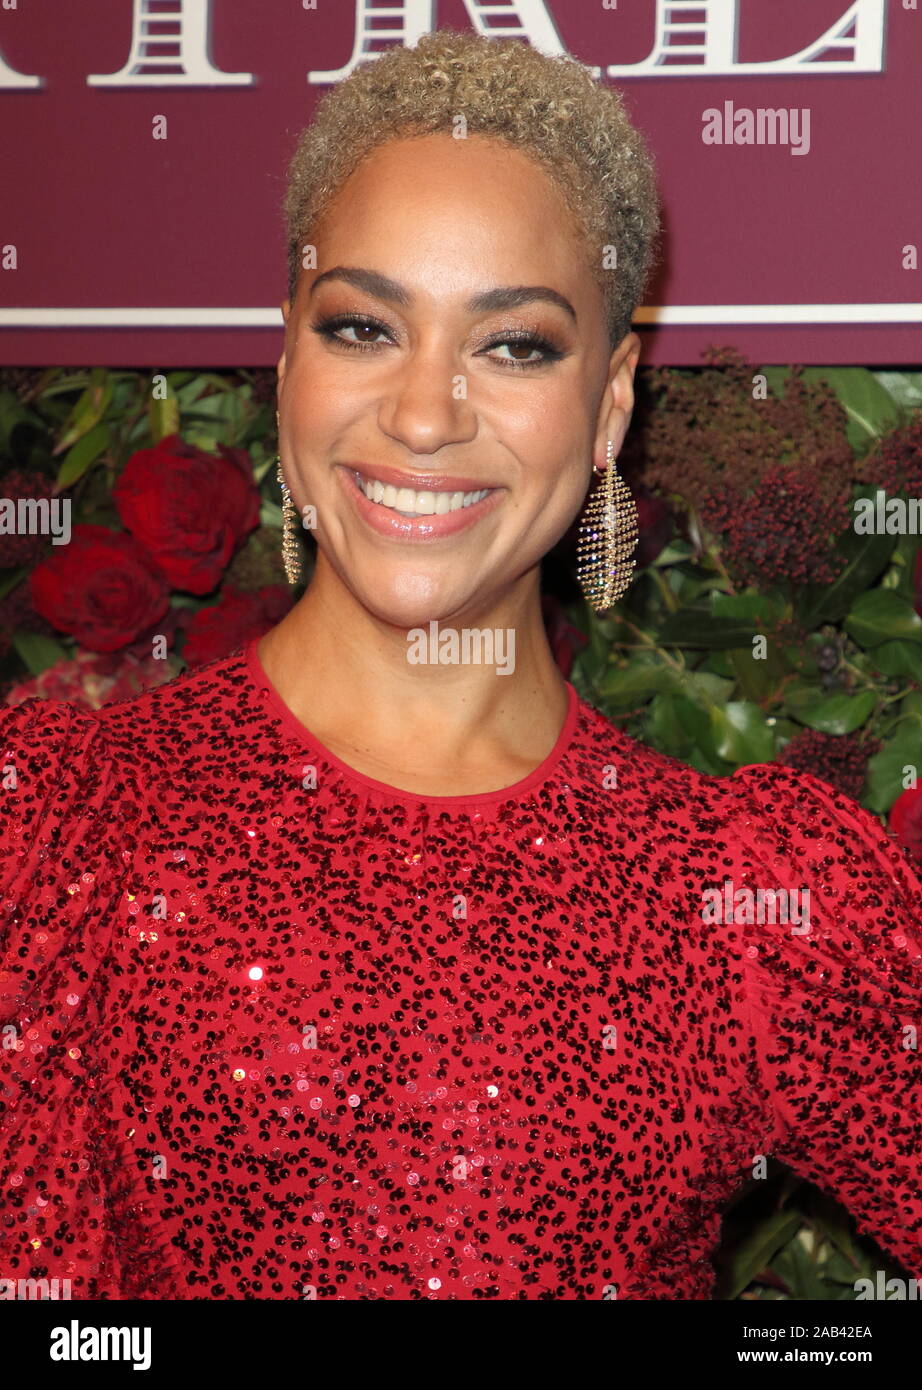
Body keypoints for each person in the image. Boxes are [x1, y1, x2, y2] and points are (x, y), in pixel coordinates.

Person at [1, 29, 920, 1302]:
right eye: (363, 327)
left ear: (610, 405)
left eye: (514, 344)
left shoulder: (741, 898)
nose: (424, 414)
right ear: (288, 363)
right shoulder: (63, 820)